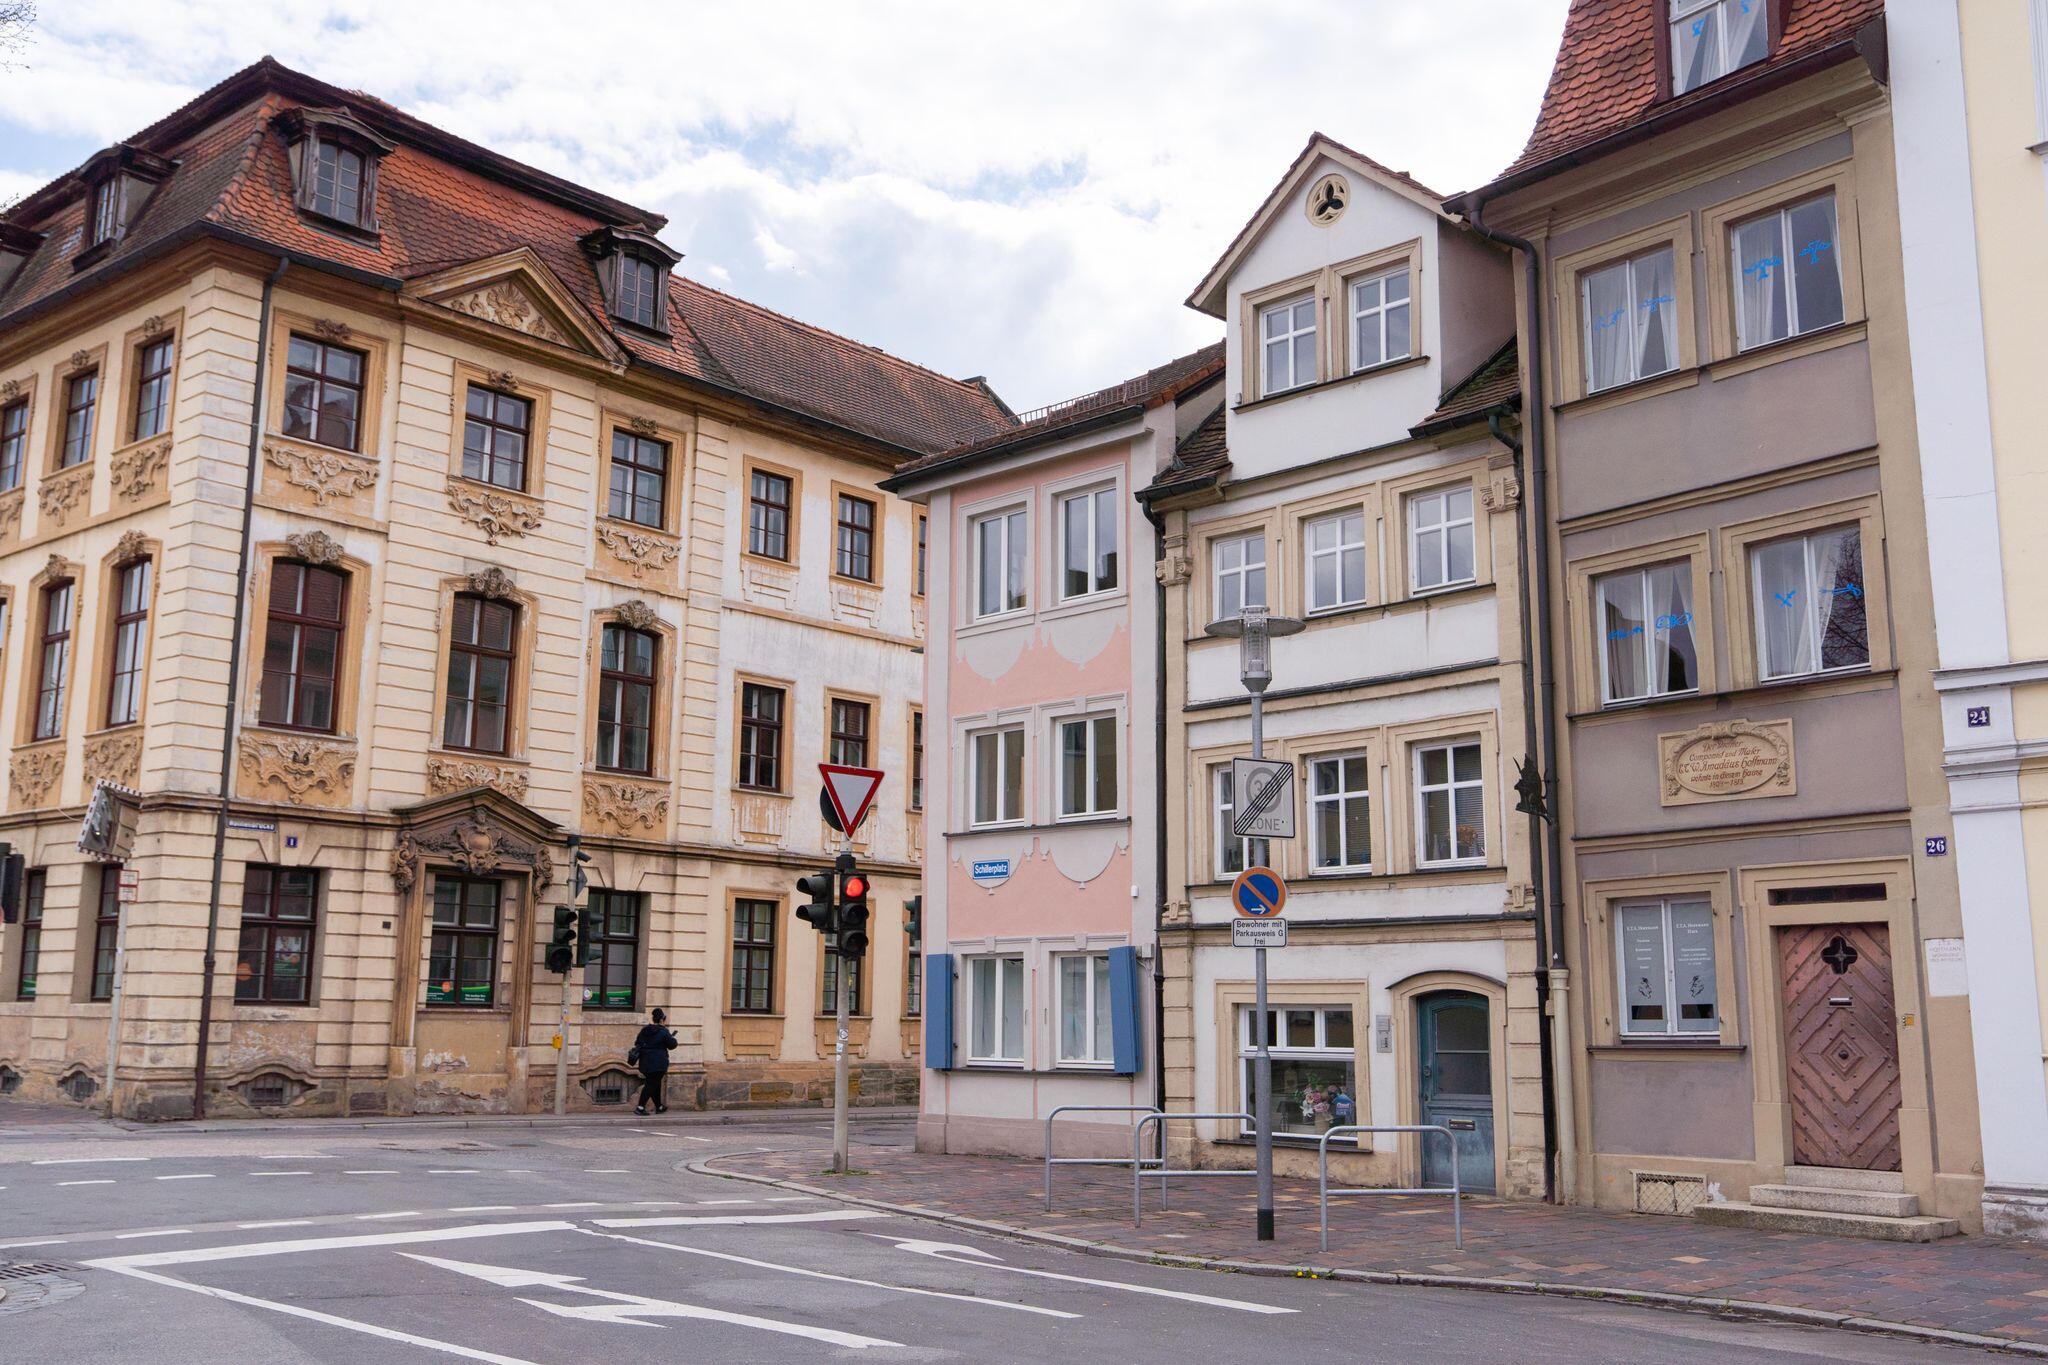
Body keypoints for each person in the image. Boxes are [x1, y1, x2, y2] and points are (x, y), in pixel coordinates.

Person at [627, 1007, 678, 1115]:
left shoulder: (645, 1030)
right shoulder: (663, 1031)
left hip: (645, 1062)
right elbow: (672, 1045)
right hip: (658, 1063)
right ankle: (640, 1107)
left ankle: (659, 1106)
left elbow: (638, 1043)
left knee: (655, 1083)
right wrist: (671, 1038)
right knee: (651, 1084)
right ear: (661, 1020)